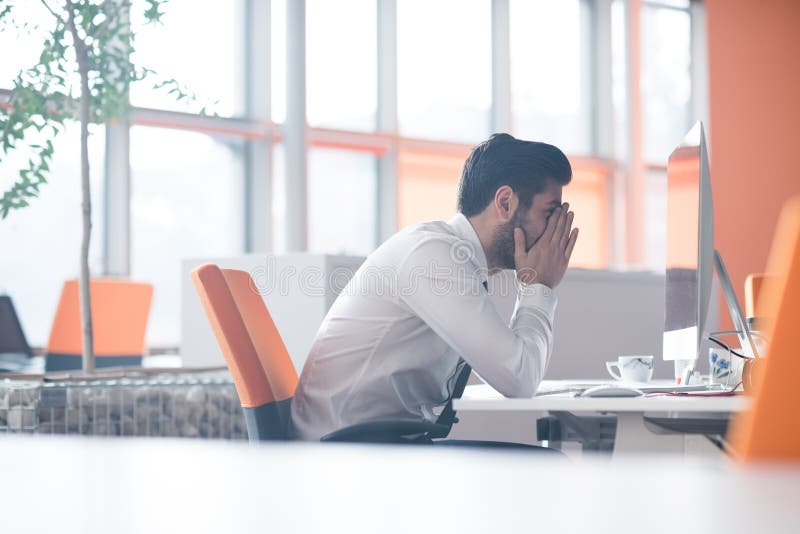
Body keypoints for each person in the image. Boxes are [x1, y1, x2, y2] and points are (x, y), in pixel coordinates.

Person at [290, 133, 579, 441]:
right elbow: (519, 380)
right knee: (545, 466)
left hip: (378, 444)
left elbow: (516, 375)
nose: (556, 230)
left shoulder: (452, 257)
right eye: (550, 214)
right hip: (349, 453)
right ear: (505, 203)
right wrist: (539, 287)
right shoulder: (434, 257)